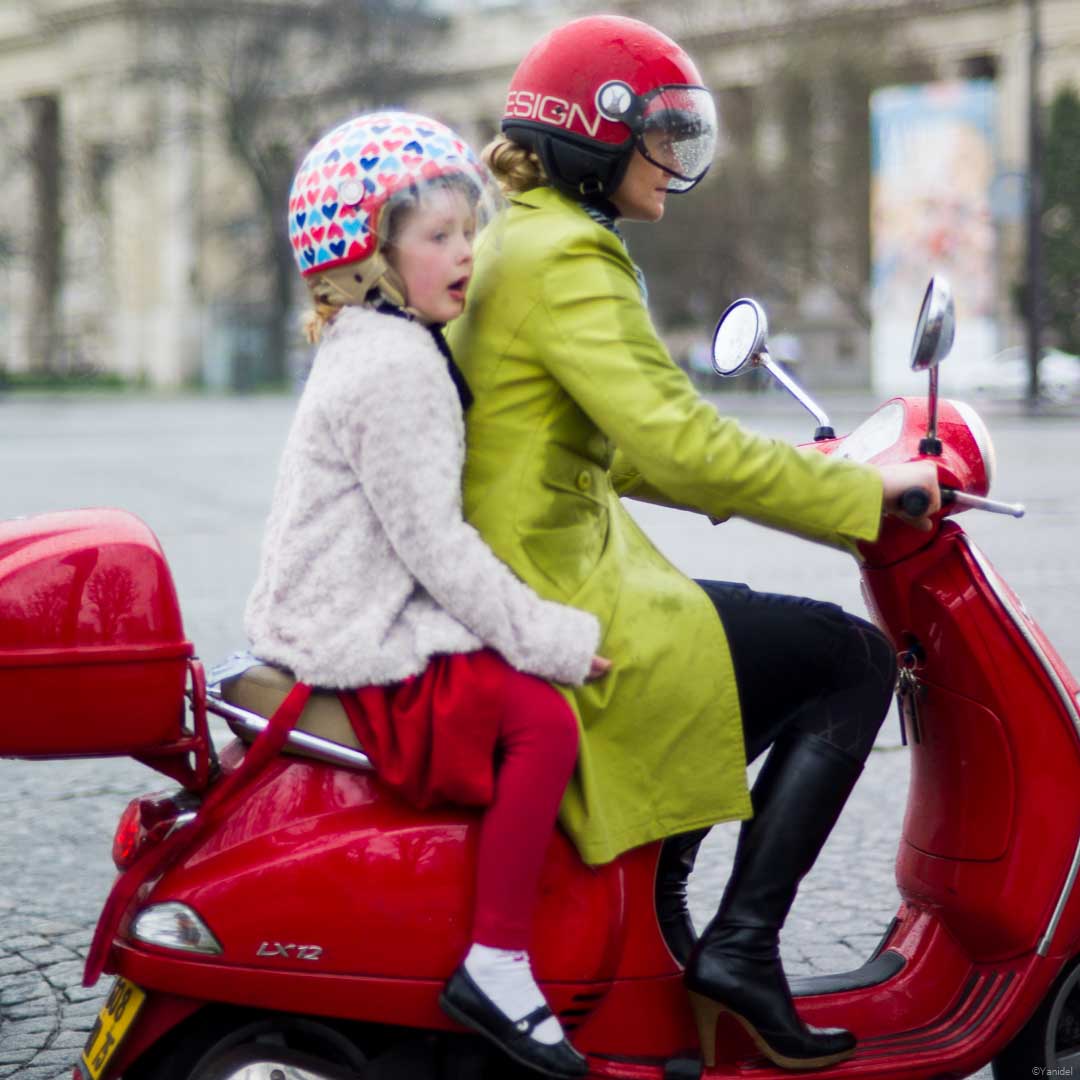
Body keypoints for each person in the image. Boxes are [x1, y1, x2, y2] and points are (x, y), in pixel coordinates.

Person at [446, 17, 941, 1073]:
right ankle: (745, 949)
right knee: (847, 662)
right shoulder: (574, 256)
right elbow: (678, 441)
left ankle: (664, 934)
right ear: (596, 142)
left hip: (528, 571)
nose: (677, 162)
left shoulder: (515, 239)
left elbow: (601, 443)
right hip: (560, 593)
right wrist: (863, 492)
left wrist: (758, 473)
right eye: (661, 136)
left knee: (738, 627)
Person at [245, 111, 608, 1080]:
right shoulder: (399, 367)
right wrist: (553, 639)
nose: (467, 253)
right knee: (545, 722)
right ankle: (495, 960)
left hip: (340, 617)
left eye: (469, 231)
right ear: (368, 256)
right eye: (438, 237)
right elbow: (439, 549)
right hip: (354, 644)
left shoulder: (370, 342)